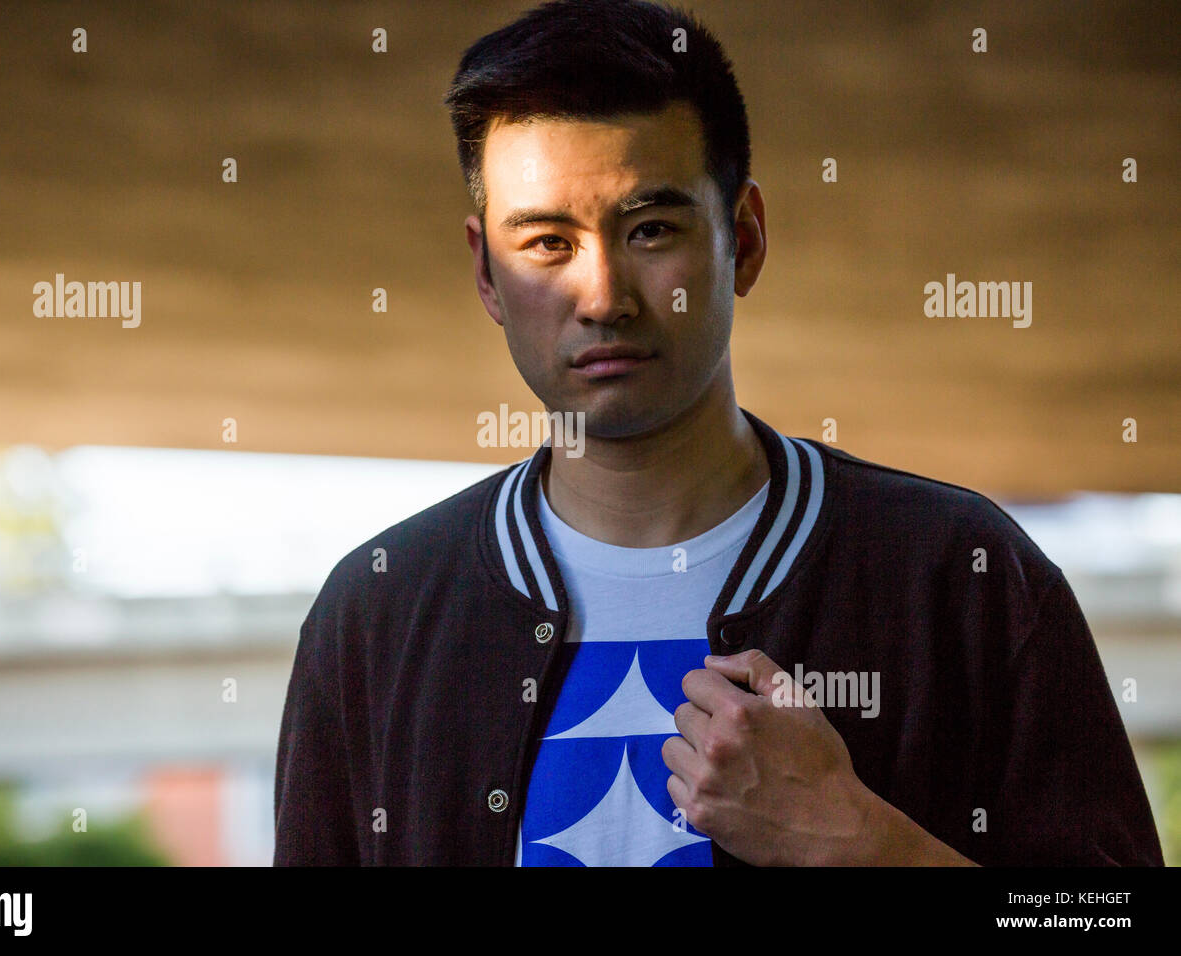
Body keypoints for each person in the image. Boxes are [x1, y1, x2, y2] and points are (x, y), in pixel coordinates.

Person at [274, 0, 1164, 866]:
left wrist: (860, 844)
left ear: (745, 237)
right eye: (546, 242)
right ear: (485, 272)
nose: (603, 296)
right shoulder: (376, 617)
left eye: (651, 229)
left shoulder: (961, 576)